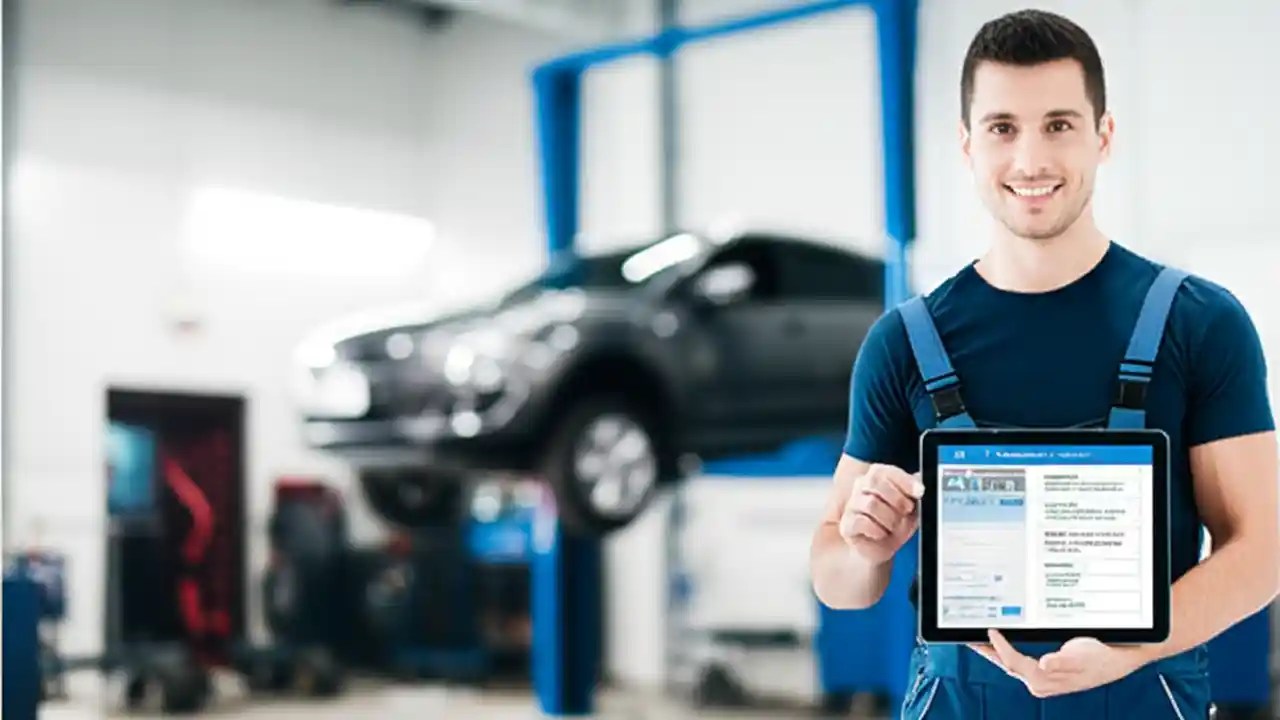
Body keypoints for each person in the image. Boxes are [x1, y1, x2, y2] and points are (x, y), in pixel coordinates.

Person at [809, 8, 1278, 718]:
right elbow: (837, 579)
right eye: (1003, 128)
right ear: (967, 145)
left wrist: (1132, 648)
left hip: (1145, 693)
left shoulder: (1199, 323)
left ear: (1103, 136)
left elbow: (1263, 548)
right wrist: (866, 545)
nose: (1030, 160)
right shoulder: (904, 342)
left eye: (1059, 125)